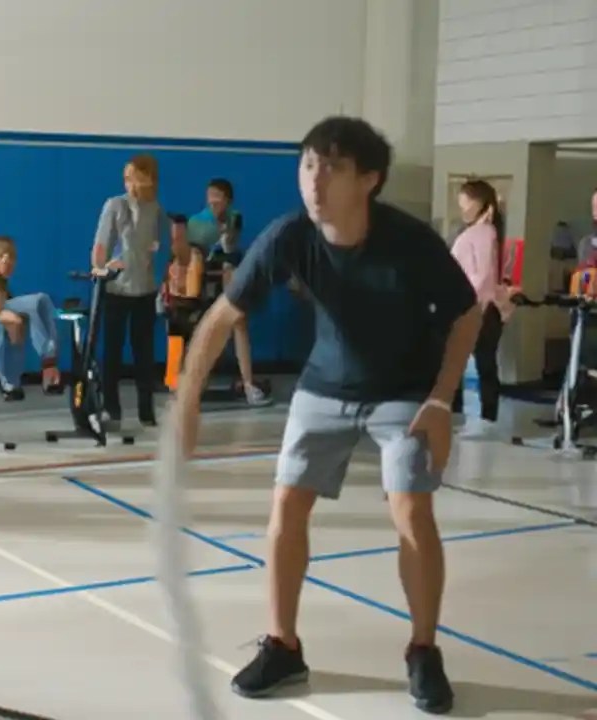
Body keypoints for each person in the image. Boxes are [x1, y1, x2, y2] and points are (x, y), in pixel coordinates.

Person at [174, 116, 479, 714]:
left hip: (404, 392)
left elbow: (467, 315)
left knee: (412, 510)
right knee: (286, 506)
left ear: (370, 179)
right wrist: (187, 398)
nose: (314, 180)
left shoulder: (410, 242)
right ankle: (283, 646)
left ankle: (423, 650)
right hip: (323, 386)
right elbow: (221, 317)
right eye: (308, 164)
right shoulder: (290, 235)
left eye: (333, 167)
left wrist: (441, 400)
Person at [91, 154, 170, 427]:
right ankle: (110, 407)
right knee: (112, 351)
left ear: (148, 178)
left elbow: (160, 247)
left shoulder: (156, 210)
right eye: (126, 177)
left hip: (145, 290)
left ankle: (146, 410)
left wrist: (160, 277)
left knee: (144, 353)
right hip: (116, 288)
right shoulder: (115, 205)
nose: (130, 183)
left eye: (135, 176)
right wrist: (100, 268)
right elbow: (101, 243)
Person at [188, 178, 270, 405]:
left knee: (239, 323)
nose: (213, 200)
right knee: (201, 329)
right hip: (202, 279)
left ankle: (248, 384)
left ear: (228, 200)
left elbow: (230, 246)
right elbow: (193, 253)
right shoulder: (196, 221)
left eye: (218, 196)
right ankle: (193, 385)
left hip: (229, 273)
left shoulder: (234, 217)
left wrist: (224, 230)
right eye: (210, 195)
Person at [449, 179, 512, 435]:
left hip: (479, 309)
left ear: (481, 202)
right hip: (471, 307)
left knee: (479, 364)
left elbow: (483, 276)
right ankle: (459, 416)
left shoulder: (485, 233)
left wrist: (472, 307)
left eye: (467, 200)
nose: (462, 205)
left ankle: (486, 419)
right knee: (460, 364)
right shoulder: (475, 231)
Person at [0, 235, 63, 400]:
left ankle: (14, 383)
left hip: (5, 323)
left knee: (22, 323)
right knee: (38, 301)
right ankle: (47, 361)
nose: (6, 262)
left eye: (11, 258)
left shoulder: (6, 290)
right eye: (1, 257)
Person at [159, 214, 204, 390]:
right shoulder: (171, 254)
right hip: (175, 305)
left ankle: (189, 379)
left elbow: (194, 288)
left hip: (191, 305)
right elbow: (166, 280)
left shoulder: (194, 254)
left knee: (184, 335)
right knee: (174, 335)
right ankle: (173, 379)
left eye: (179, 230)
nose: (176, 234)